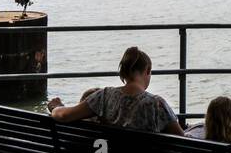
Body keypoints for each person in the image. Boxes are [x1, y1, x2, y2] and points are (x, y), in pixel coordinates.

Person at [47, 46, 184, 137]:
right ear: (147, 71)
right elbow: (182, 140)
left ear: (123, 72)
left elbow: (64, 116)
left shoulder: (103, 96)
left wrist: (56, 107)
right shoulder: (157, 104)